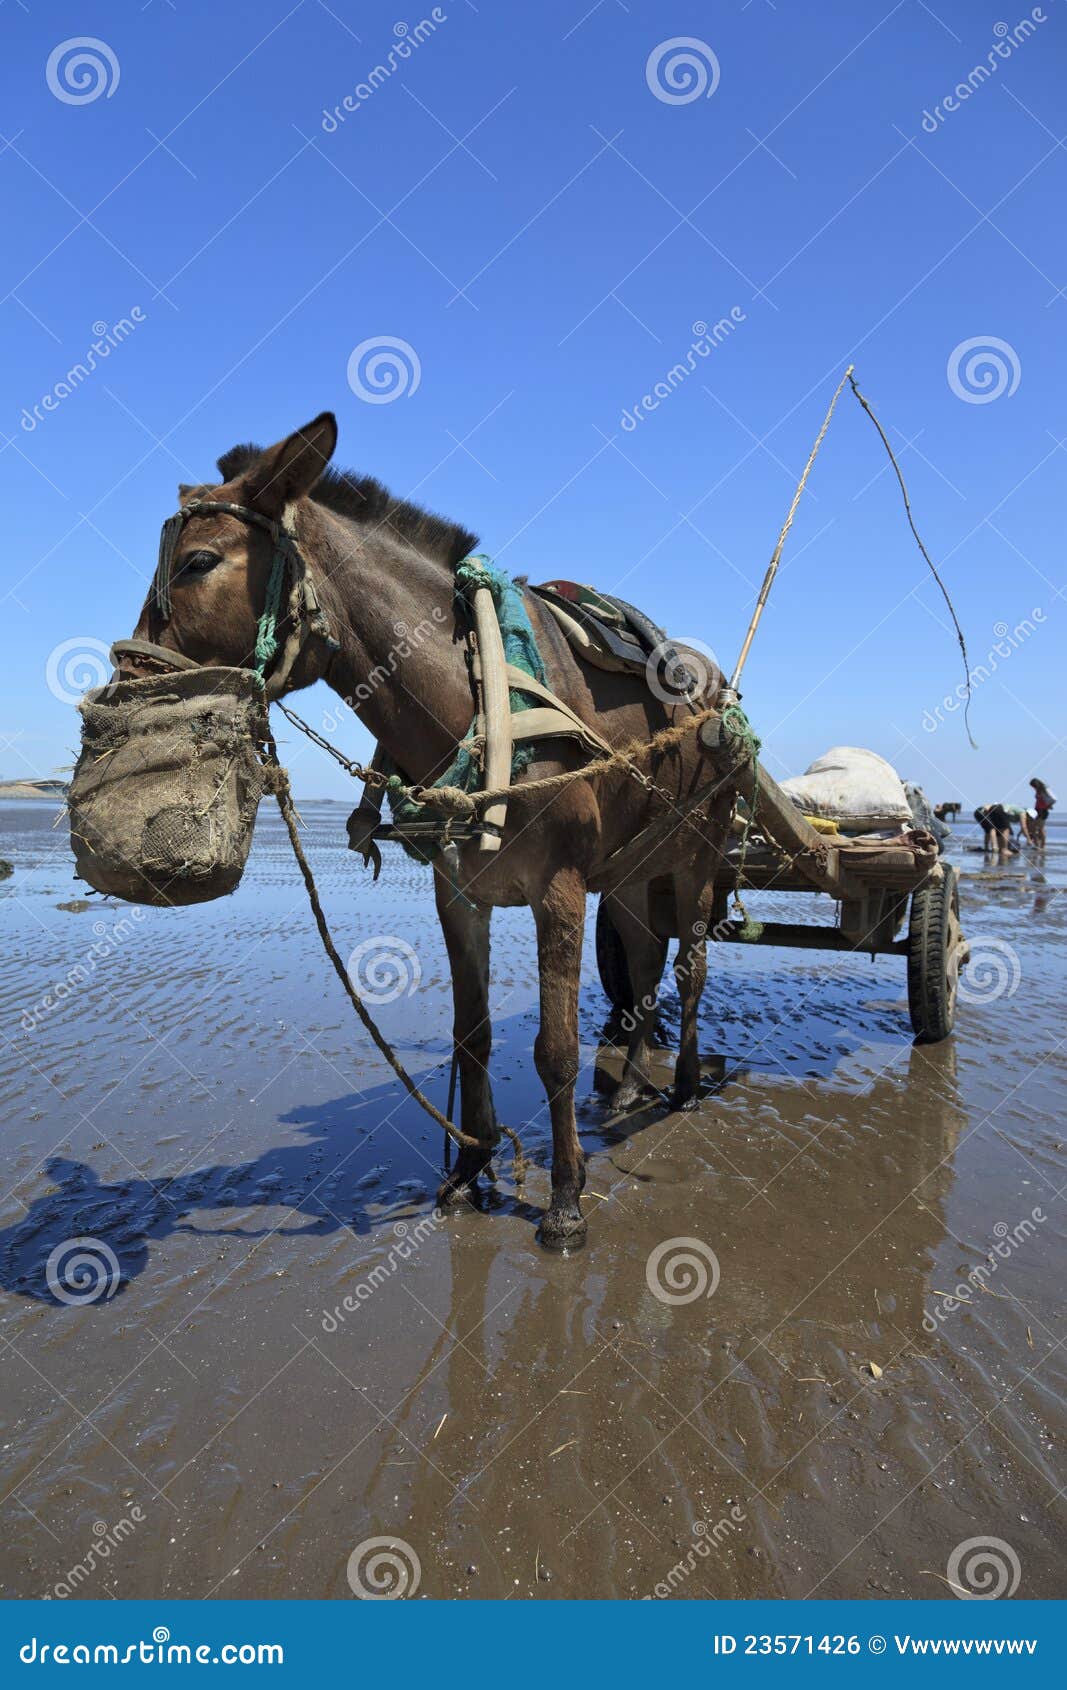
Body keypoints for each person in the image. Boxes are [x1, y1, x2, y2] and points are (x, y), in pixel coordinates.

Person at [1029, 778, 1056, 847]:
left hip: (1042, 810)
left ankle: (1042, 845)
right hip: (1037, 810)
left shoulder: (1044, 790)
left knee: (1040, 828)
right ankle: (1037, 843)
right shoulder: (1038, 791)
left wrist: (1048, 805)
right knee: (1033, 827)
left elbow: (1054, 799)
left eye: (1033, 786)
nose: (1033, 788)